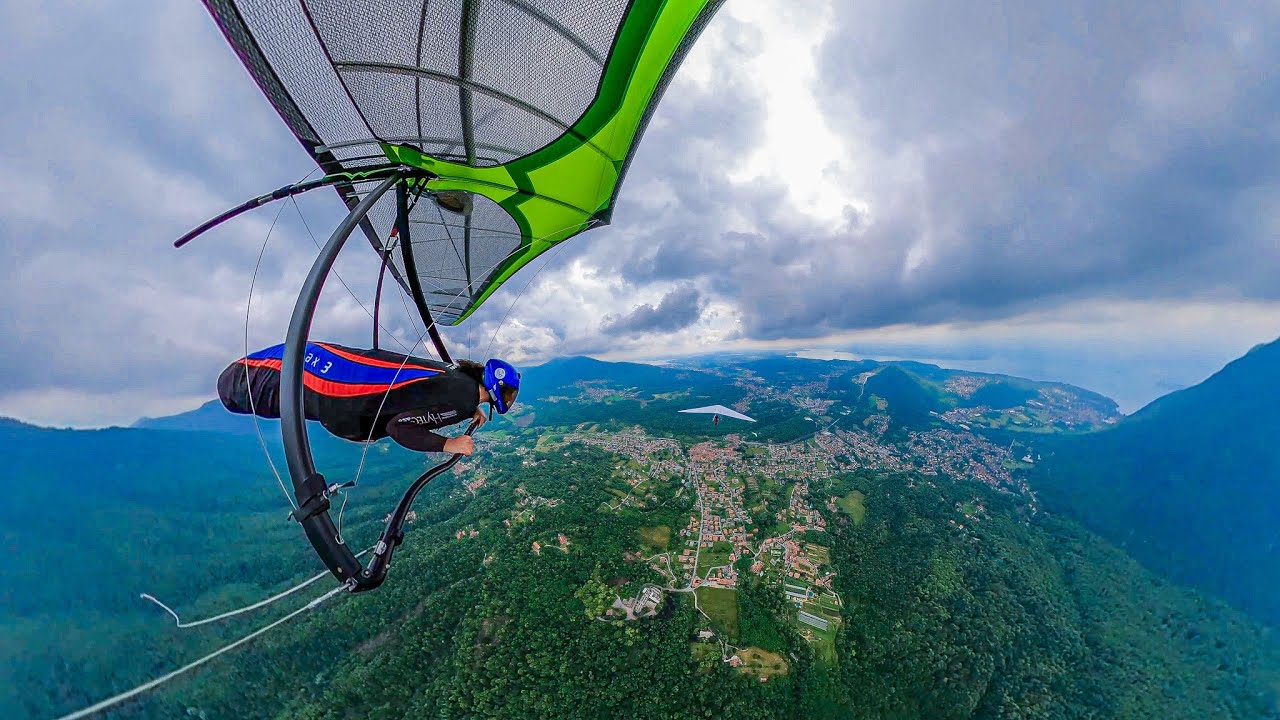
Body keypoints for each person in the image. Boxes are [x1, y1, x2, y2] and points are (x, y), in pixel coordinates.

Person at [217, 342, 519, 455]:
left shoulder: (461, 376)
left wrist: (472, 408)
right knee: (364, 425)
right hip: (340, 400)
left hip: (323, 360)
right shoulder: (463, 399)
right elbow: (400, 427)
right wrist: (449, 444)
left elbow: (433, 394)